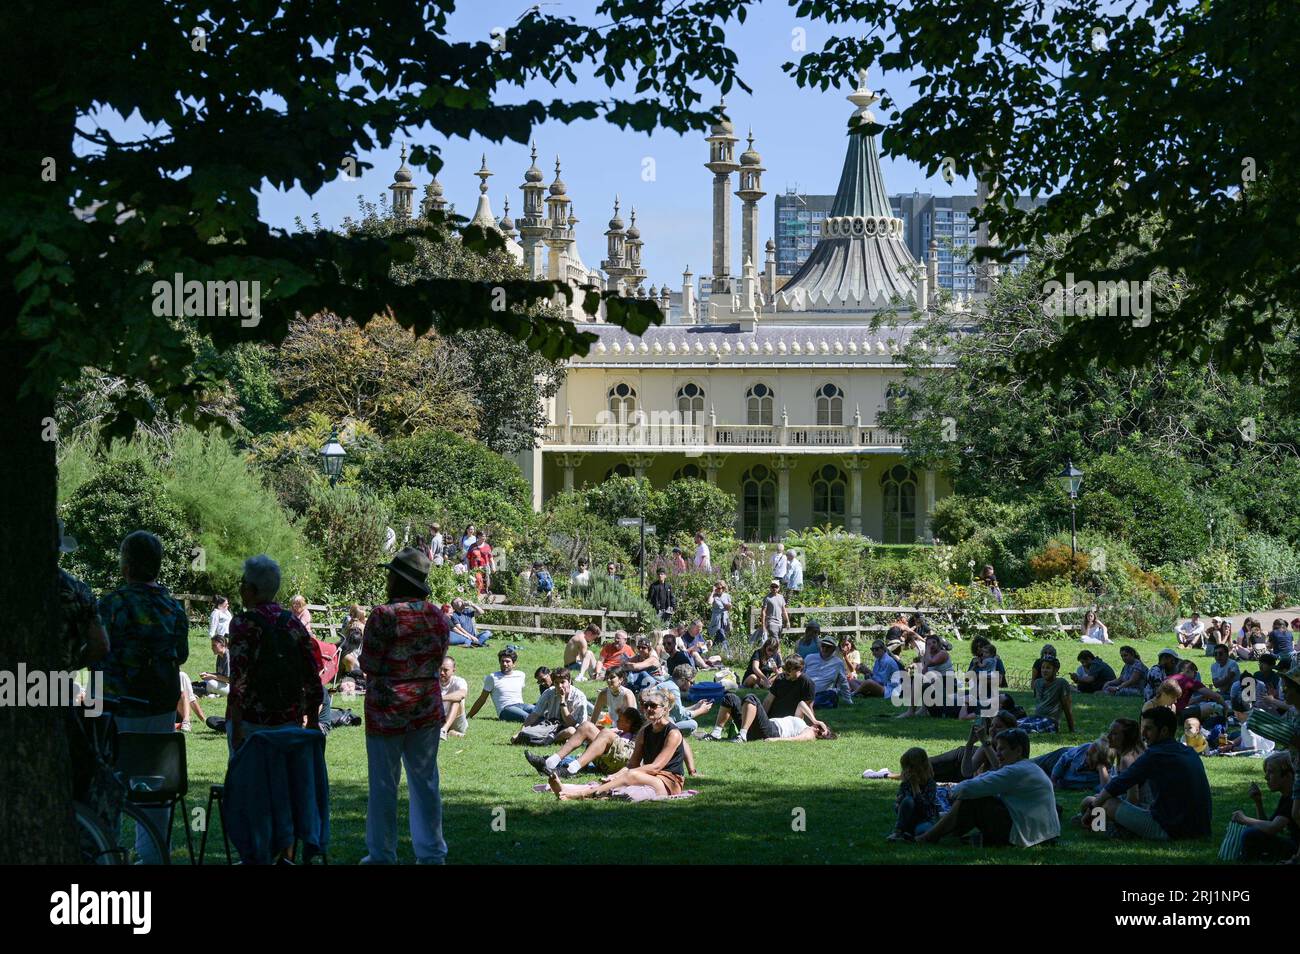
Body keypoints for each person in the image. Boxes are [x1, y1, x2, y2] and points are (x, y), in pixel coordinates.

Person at [360, 546, 450, 865]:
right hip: (426, 709)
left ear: (396, 579)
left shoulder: (383, 615)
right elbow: (438, 660)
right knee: (425, 781)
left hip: (387, 710)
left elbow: (368, 662)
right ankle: (431, 854)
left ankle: (382, 855)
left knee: (384, 784)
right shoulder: (438, 615)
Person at [227, 554, 324, 752]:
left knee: (250, 780)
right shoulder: (293, 623)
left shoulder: (243, 623)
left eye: (243, 582)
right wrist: (313, 720)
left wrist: (236, 726)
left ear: (251, 589)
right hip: (289, 720)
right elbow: (312, 674)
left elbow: (239, 678)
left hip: (252, 721)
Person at [1079, 706, 1213, 841]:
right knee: (1097, 801)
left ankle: (1099, 830)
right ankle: (1101, 825)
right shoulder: (1188, 751)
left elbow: (1118, 786)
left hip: (1172, 829)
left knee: (1107, 804)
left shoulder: (1155, 754)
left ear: (1164, 731)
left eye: (1148, 729)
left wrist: (1092, 808)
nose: (1143, 734)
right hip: (1200, 828)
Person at [916, 729, 1060, 848]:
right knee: (975, 798)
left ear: (1018, 750)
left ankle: (929, 836)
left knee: (971, 800)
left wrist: (953, 792)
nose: (997, 754)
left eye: (1002, 749)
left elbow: (965, 789)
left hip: (1030, 835)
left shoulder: (1014, 772)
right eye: (997, 749)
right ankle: (942, 831)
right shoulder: (1028, 767)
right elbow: (983, 778)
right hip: (1045, 834)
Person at [546, 687, 687, 799]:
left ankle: (581, 795)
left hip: (669, 782)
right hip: (650, 777)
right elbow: (632, 764)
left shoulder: (672, 733)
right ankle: (565, 789)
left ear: (665, 709)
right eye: (646, 705)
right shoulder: (645, 732)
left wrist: (622, 775)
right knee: (618, 784)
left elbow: (656, 767)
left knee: (629, 777)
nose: (648, 709)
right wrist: (615, 775)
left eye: (653, 706)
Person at [703, 655, 815, 740]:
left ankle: (742, 735)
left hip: (778, 727)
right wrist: (761, 718)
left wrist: (813, 727)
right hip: (768, 722)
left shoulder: (807, 682)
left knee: (751, 697)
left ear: (799, 669)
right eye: (785, 669)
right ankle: (716, 734)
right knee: (730, 697)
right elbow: (768, 700)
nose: (785, 672)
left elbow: (808, 707)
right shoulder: (781, 679)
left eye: (789, 670)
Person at [527, 707, 647, 778]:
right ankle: (551, 761)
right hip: (611, 759)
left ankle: (571, 770)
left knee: (605, 733)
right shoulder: (620, 731)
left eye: (620, 719)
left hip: (627, 759)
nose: (616, 721)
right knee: (587, 726)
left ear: (629, 723)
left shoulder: (641, 731)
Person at [1230, 753, 1298, 861]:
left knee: (1250, 834)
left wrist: (1244, 819)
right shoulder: (1286, 796)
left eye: (1271, 772)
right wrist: (1258, 802)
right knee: (1253, 829)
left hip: (1296, 849)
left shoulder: (1293, 799)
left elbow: (1272, 828)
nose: (1266, 777)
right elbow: (1266, 827)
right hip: (1292, 845)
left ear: (1288, 776)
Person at [513, 667, 589, 744]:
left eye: (563, 682)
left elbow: (574, 724)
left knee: (571, 731)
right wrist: (519, 732)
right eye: (556, 683)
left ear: (569, 681)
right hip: (550, 726)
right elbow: (535, 714)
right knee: (532, 728)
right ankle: (547, 739)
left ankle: (546, 740)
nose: (559, 686)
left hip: (570, 727)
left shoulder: (579, 696)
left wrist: (562, 701)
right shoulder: (549, 692)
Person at [888, 748, 942, 842]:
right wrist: (899, 803)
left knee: (923, 831)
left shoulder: (930, 784)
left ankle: (909, 835)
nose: (907, 771)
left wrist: (915, 787)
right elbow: (900, 807)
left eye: (911, 768)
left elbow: (924, 810)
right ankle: (898, 831)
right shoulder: (905, 784)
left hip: (924, 820)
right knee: (908, 800)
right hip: (908, 820)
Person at [467, 646, 534, 722]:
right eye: (502, 661)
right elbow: (482, 699)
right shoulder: (492, 677)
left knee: (540, 711)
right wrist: (469, 716)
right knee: (527, 717)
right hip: (506, 709)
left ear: (514, 664)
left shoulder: (521, 675)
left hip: (521, 705)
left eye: (507, 661)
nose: (504, 664)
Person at [1019, 656, 1074, 733]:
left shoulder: (1061, 683)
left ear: (1055, 670)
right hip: (1036, 717)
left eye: (1048, 668)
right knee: (1015, 723)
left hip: (1051, 721)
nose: (1044, 670)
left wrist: (1072, 729)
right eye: (1043, 667)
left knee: (1028, 728)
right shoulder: (1037, 682)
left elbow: (1067, 707)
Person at [805, 634, 850, 708]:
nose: (825, 649)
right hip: (806, 692)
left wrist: (848, 700)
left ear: (834, 649)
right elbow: (801, 675)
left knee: (831, 694)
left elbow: (843, 682)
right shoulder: (809, 658)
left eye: (828, 647)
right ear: (820, 646)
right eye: (823, 646)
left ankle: (809, 704)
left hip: (824, 693)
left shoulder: (838, 663)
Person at [439, 656, 468, 739]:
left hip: (457, 721)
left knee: (456, 700)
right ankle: (450, 732)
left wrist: (440, 698)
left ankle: (444, 730)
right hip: (439, 719)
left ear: (453, 670)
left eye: (445, 670)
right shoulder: (433, 682)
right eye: (440, 669)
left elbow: (461, 694)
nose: (442, 672)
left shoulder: (459, 681)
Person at [466, 530, 494, 596]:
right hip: (475, 568)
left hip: (485, 567)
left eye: (485, 536)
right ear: (478, 536)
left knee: (486, 583)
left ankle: (484, 596)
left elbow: (490, 557)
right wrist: (468, 569)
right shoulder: (472, 546)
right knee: (478, 580)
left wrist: (493, 566)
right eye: (483, 536)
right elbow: (468, 558)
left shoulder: (487, 546)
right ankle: (477, 596)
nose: (484, 538)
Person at [707, 579, 732, 646]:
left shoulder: (727, 596)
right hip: (716, 619)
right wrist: (712, 592)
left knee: (719, 635)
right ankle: (728, 652)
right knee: (721, 633)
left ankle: (714, 648)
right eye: (717, 588)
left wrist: (726, 605)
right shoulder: (714, 596)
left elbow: (729, 607)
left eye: (720, 588)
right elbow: (709, 602)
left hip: (724, 619)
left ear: (723, 588)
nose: (718, 590)